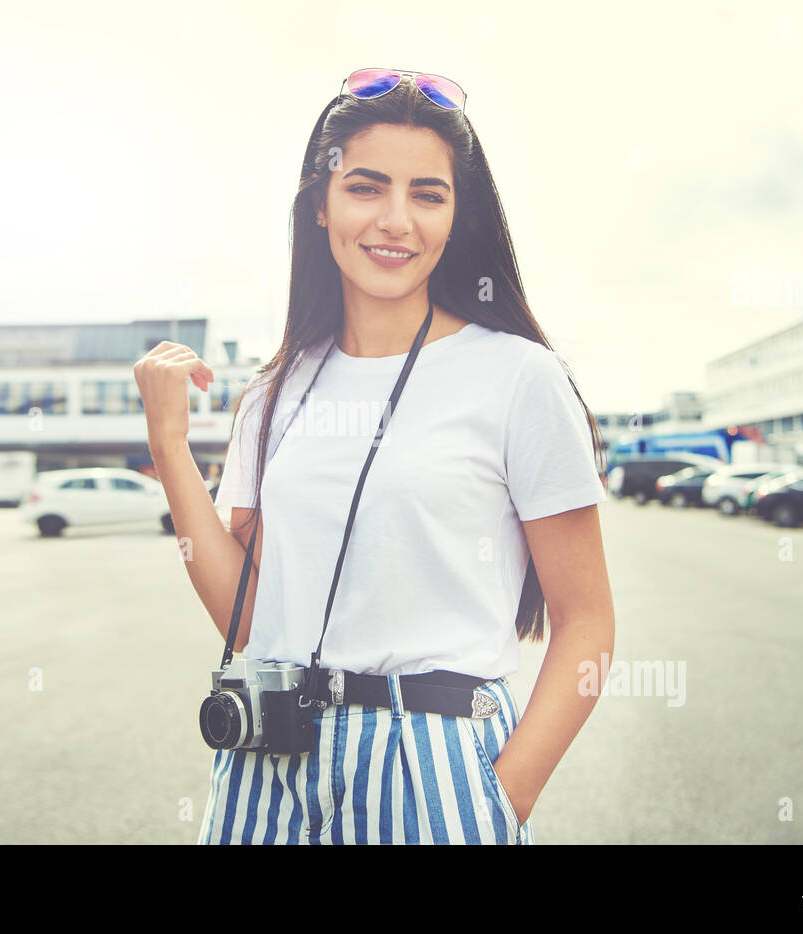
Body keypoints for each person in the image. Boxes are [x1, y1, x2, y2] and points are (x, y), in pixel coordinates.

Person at [134, 69, 615, 845]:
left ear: (458, 218)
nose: (397, 220)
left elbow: (587, 621)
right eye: (366, 187)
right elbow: (251, 620)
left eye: (428, 194)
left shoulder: (519, 378)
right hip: (268, 762)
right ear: (320, 205)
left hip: (434, 765)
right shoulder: (273, 392)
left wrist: (500, 798)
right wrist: (170, 447)